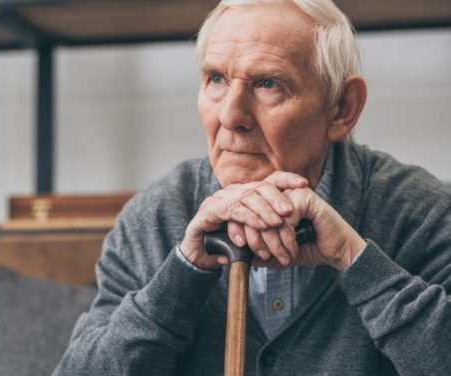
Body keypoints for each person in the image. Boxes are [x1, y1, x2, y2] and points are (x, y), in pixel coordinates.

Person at [54, 0, 451, 375]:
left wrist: (354, 259)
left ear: (342, 108)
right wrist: (183, 274)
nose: (231, 116)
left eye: (267, 83)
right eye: (216, 79)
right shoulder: (154, 216)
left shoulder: (422, 215)